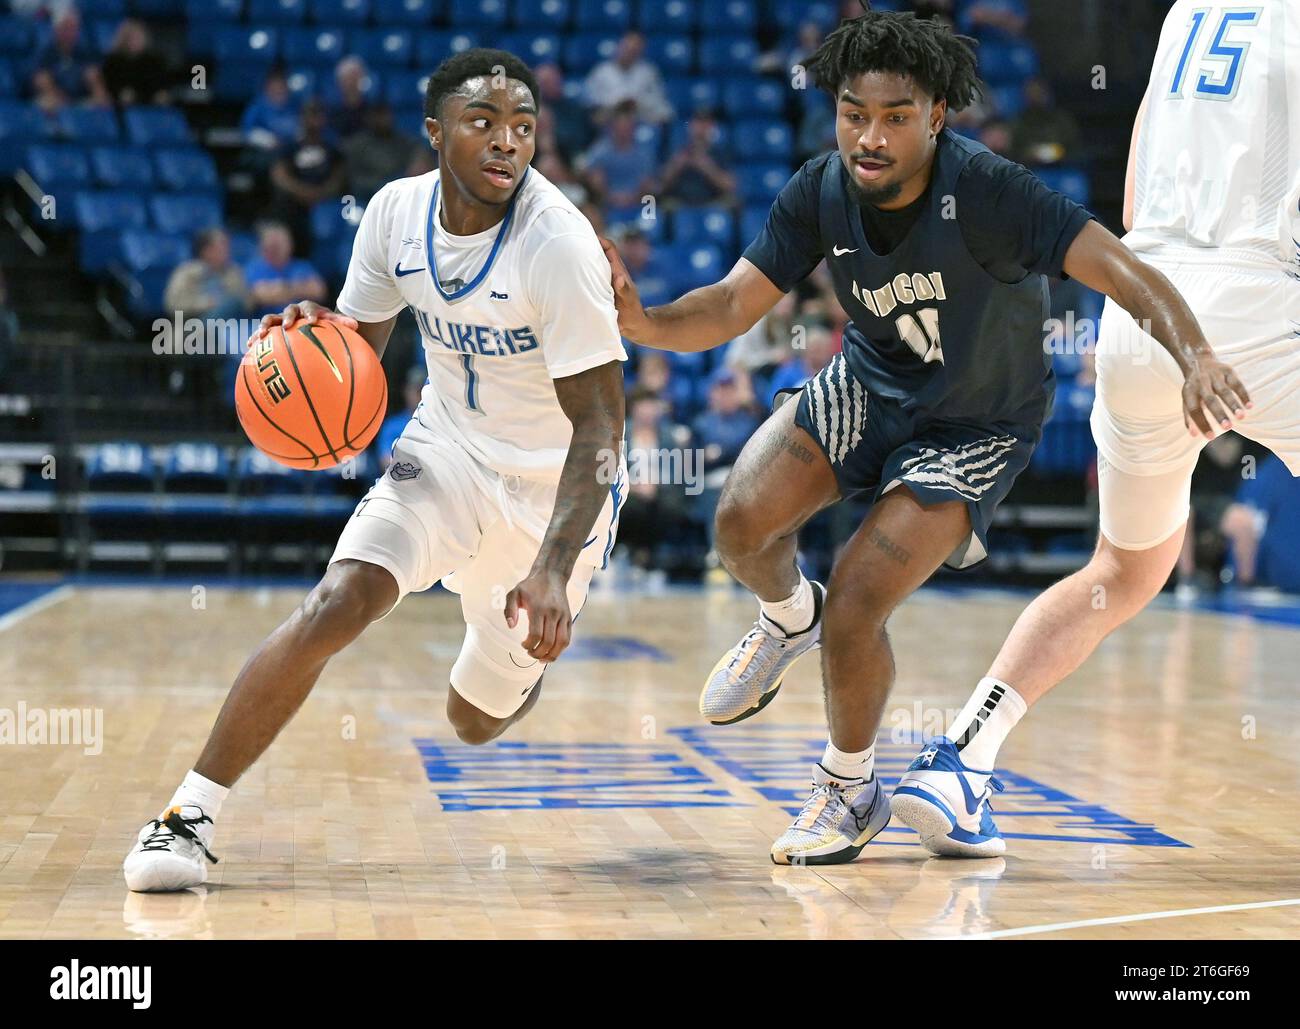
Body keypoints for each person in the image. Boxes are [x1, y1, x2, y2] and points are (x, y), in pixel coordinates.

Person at [601, 5, 1247, 865]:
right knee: (739, 522)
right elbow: (726, 305)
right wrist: (640, 319)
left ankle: (848, 787)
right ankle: (790, 617)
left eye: (895, 118)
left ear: (937, 116)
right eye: (854, 115)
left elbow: (1123, 267)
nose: (869, 137)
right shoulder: (819, 188)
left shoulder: (989, 192)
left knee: (861, 597)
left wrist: (1195, 353)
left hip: (976, 423)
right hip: (871, 384)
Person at [123, 48, 628, 892]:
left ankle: (521, 665)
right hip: (446, 452)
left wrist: (548, 569)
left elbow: (604, 428)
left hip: (554, 490)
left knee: (473, 720)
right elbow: (355, 359)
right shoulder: (394, 217)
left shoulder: (558, 244)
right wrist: (313, 338)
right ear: (435, 133)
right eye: (484, 123)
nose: (507, 142)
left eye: (523, 127)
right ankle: (186, 815)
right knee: (336, 600)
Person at [268, 98, 347, 251]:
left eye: (317, 116)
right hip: (294, 204)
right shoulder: (291, 147)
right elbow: (279, 175)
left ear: (324, 119)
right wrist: (304, 192)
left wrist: (320, 194)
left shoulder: (332, 148)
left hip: (325, 202)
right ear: (302, 118)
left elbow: (339, 178)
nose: (313, 121)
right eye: (310, 115)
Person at [583, 32, 672, 125]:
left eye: (634, 50)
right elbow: (590, 102)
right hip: (608, 121)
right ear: (620, 46)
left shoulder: (648, 72)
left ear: (640, 52)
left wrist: (637, 103)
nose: (629, 52)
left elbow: (661, 105)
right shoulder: (601, 71)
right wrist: (617, 104)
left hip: (640, 121)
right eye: (627, 48)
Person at [30, 7, 109, 112]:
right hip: (55, 98)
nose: (70, 32)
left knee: (98, 85)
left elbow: (95, 77)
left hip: (81, 99)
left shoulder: (85, 53)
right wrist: (57, 95)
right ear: (56, 30)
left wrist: (99, 94)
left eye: (73, 28)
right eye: (66, 28)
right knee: (46, 96)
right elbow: (40, 79)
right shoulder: (46, 53)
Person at [342, 102, 423, 203]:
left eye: (385, 114)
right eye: (378, 115)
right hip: (368, 198)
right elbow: (354, 180)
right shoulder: (357, 145)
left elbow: (419, 154)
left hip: (400, 195)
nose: (383, 119)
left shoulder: (402, 141)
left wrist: (419, 160)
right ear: (369, 117)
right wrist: (384, 185)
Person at [655, 108, 736, 208]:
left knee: (732, 202)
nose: (702, 128)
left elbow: (730, 185)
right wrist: (676, 166)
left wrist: (707, 167)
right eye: (698, 123)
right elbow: (658, 187)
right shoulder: (677, 151)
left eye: (706, 123)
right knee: (661, 204)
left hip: (711, 202)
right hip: (680, 202)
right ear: (691, 126)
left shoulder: (720, 153)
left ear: (712, 127)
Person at [243, 221, 326, 318]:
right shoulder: (254, 268)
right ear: (263, 247)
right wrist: (300, 288)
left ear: (290, 245)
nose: (276, 249)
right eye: (273, 245)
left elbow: (319, 291)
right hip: (264, 325)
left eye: (280, 244)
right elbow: (257, 295)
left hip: (300, 322)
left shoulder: (302, 266)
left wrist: (282, 288)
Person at [101, 18, 173, 107]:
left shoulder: (155, 62)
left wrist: (161, 95)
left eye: (139, 37)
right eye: (132, 38)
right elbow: (108, 87)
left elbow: (162, 87)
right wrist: (119, 95)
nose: (136, 41)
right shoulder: (113, 62)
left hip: (151, 105)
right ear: (124, 39)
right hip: (120, 106)